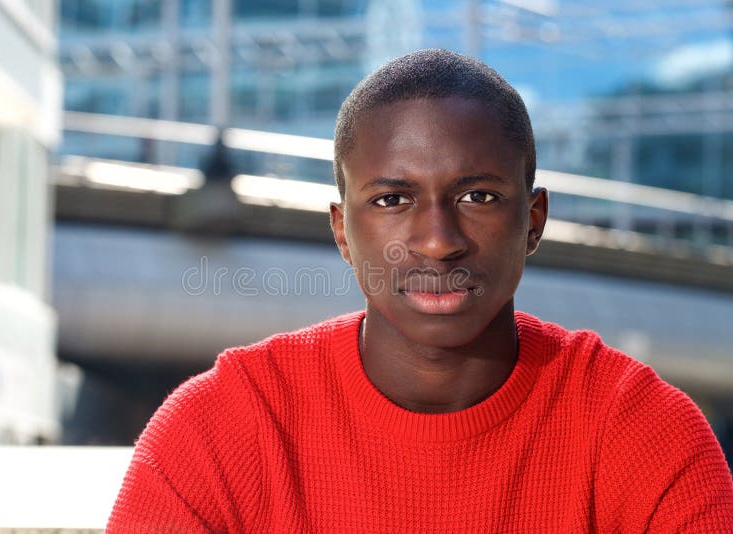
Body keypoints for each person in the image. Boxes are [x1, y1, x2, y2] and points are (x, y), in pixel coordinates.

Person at [107, 49, 733, 532]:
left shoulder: (644, 434)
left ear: (534, 221)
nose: (437, 241)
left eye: (478, 196)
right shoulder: (217, 431)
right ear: (342, 231)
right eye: (392, 200)